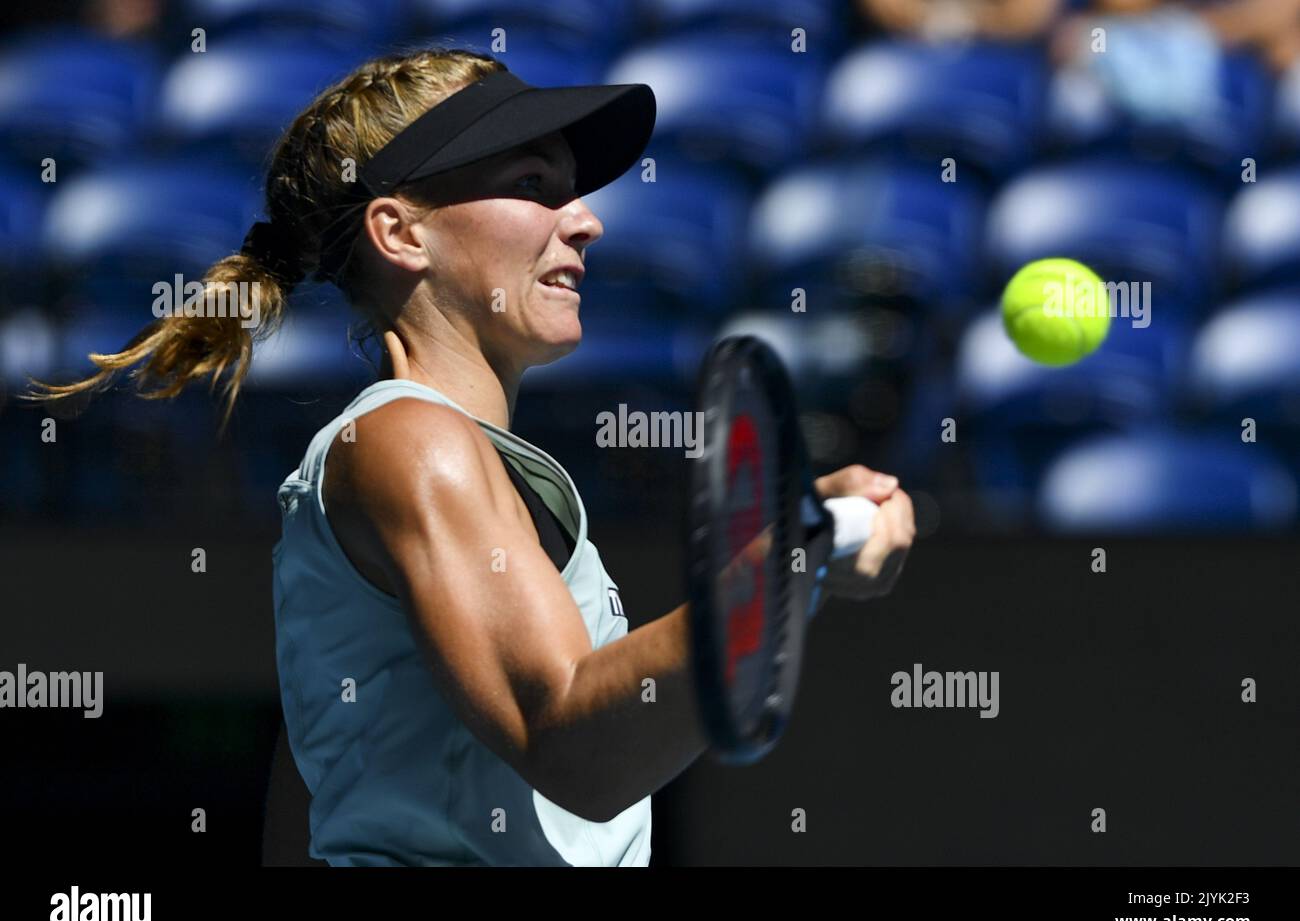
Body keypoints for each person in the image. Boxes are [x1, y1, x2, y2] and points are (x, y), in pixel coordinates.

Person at [23, 47, 916, 865]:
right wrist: (789, 557)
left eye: (571, 188)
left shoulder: (422, 451)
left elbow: (313, 795)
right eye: (533, 183)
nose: (587, 222)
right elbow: (573, 743)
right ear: (401, 232)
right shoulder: (415, 445)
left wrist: (796, 560)